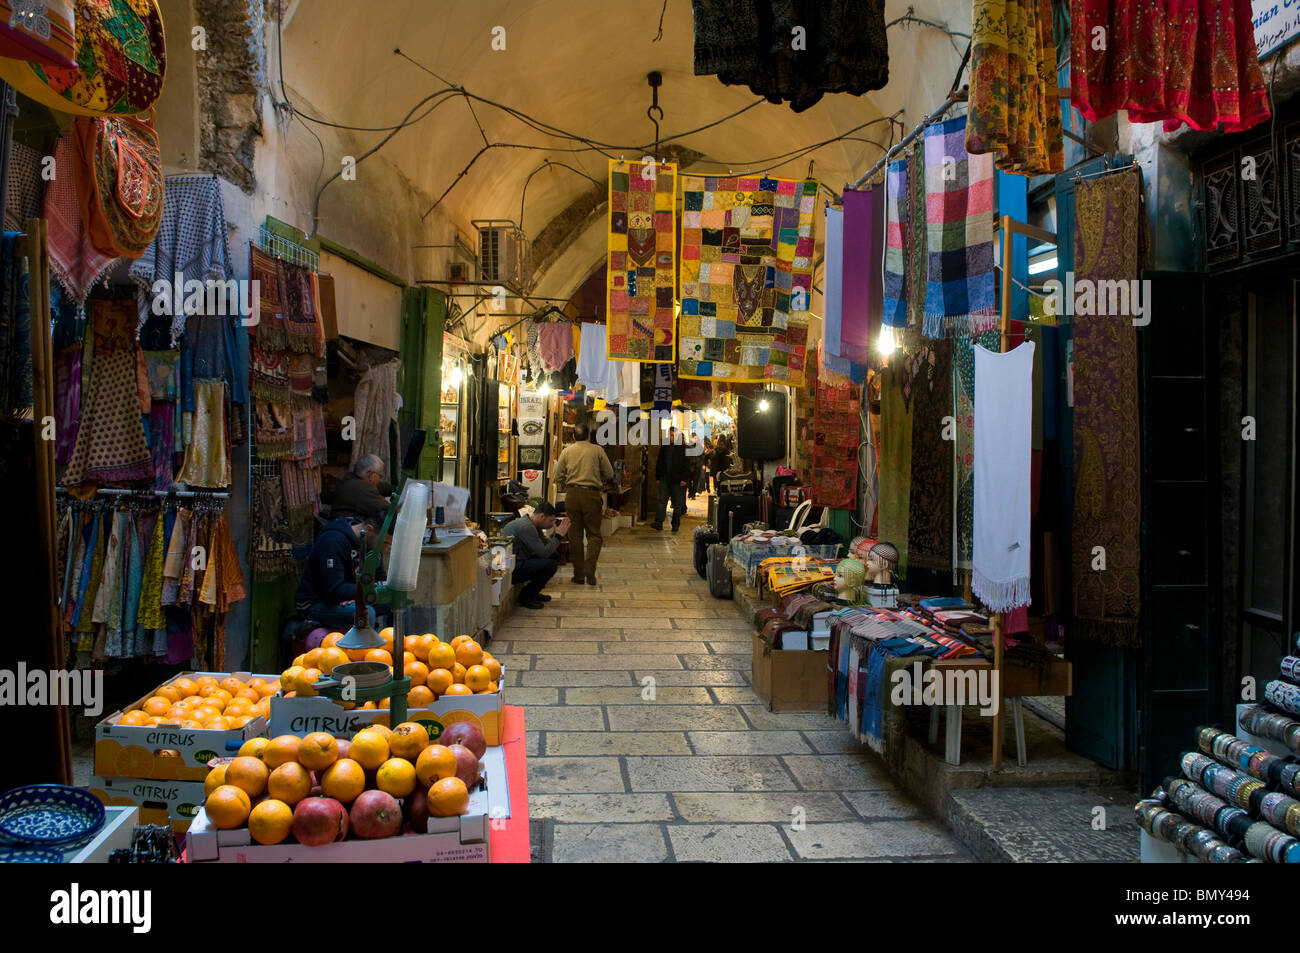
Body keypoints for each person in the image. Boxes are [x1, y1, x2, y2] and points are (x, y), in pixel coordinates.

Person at [295, 514, 380, 632]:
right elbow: (334, 590)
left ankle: (396, 646)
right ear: (369, 530)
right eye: (385, 542)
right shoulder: (333, 540)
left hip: (346, 597)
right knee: (366, 613)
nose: (387, 548)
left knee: (396, 602)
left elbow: (379, 579)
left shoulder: (371, 544)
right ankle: (366, 650)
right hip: (316, 603)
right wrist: (358, 594)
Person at [553, 423, 614, 585]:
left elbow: (557, 475)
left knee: (575, 536)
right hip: (592, 495)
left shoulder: (567, 451)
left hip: (572, 495)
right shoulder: (597, 450)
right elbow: (609, 473)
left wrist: (568, 482)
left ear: (573, 437)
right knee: (594, 534)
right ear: (588, 436)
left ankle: (578, 575)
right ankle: (590, 566)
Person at [503, 501, 570, 608]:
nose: (552, 524)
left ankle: (533, 592)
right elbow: (543, 553)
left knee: (554, 556)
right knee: (550, 565)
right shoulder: (526, 527)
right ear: (542, 516)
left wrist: (555, 535)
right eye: (551, 521)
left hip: (520, 561)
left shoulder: (533, 524)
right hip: (512, 568)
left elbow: (547, 547)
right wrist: (558, 536)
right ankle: (526, 596)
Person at [332, 454, 392, 522]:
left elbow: (382, 487)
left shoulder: (351, 478)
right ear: (370, 475)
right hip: (347, 528)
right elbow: (389, 511)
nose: (380, 479)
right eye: (380, 476)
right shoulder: (362, 489)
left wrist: (397, 489)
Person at [653, 426, 689, 533]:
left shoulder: (683, 448)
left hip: (677, 480)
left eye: (673, 435)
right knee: (662, 501)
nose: (671, 437)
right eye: (670, 435)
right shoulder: (665, 446)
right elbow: (659, 461)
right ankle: (658, 523)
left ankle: (675, 525)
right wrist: (658, 476)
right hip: (665, 478)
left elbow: (687, 465)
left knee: (677, 504)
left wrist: (684, 479)